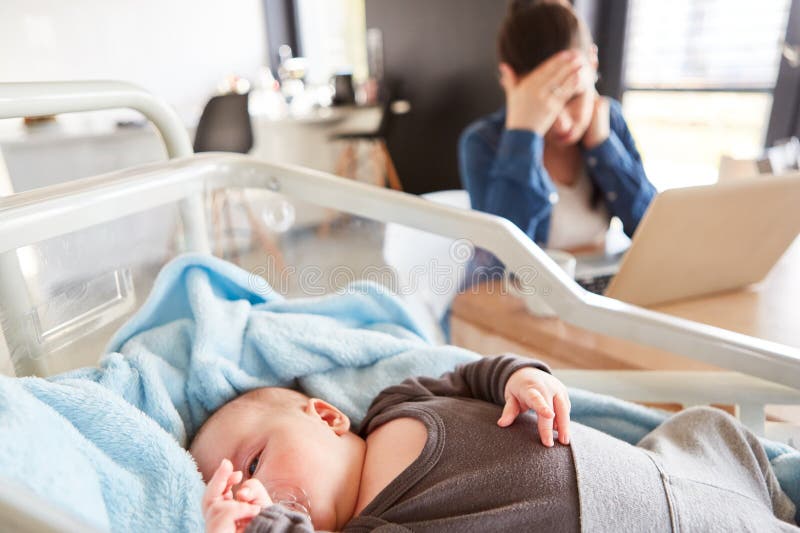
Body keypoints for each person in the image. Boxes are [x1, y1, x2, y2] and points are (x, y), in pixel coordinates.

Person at [190, 354, 797, 532]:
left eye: (254, 463)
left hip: (656, 471)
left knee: (709, 435)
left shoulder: (396, 404)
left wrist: (519, 377)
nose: (256, 490)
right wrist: (251, 527)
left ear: (326, 416)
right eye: (240, 494)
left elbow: (469, 375)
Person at [458, 0, 656, 254]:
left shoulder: (610, 120)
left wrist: (603, 145)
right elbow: (498, 259)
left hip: (600, 277)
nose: (562, 122)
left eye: (573, 97)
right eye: (545, 102)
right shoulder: (483, 141)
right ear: (510, 81)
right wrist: (523, 135)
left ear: (592, 62)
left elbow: (651, 228)